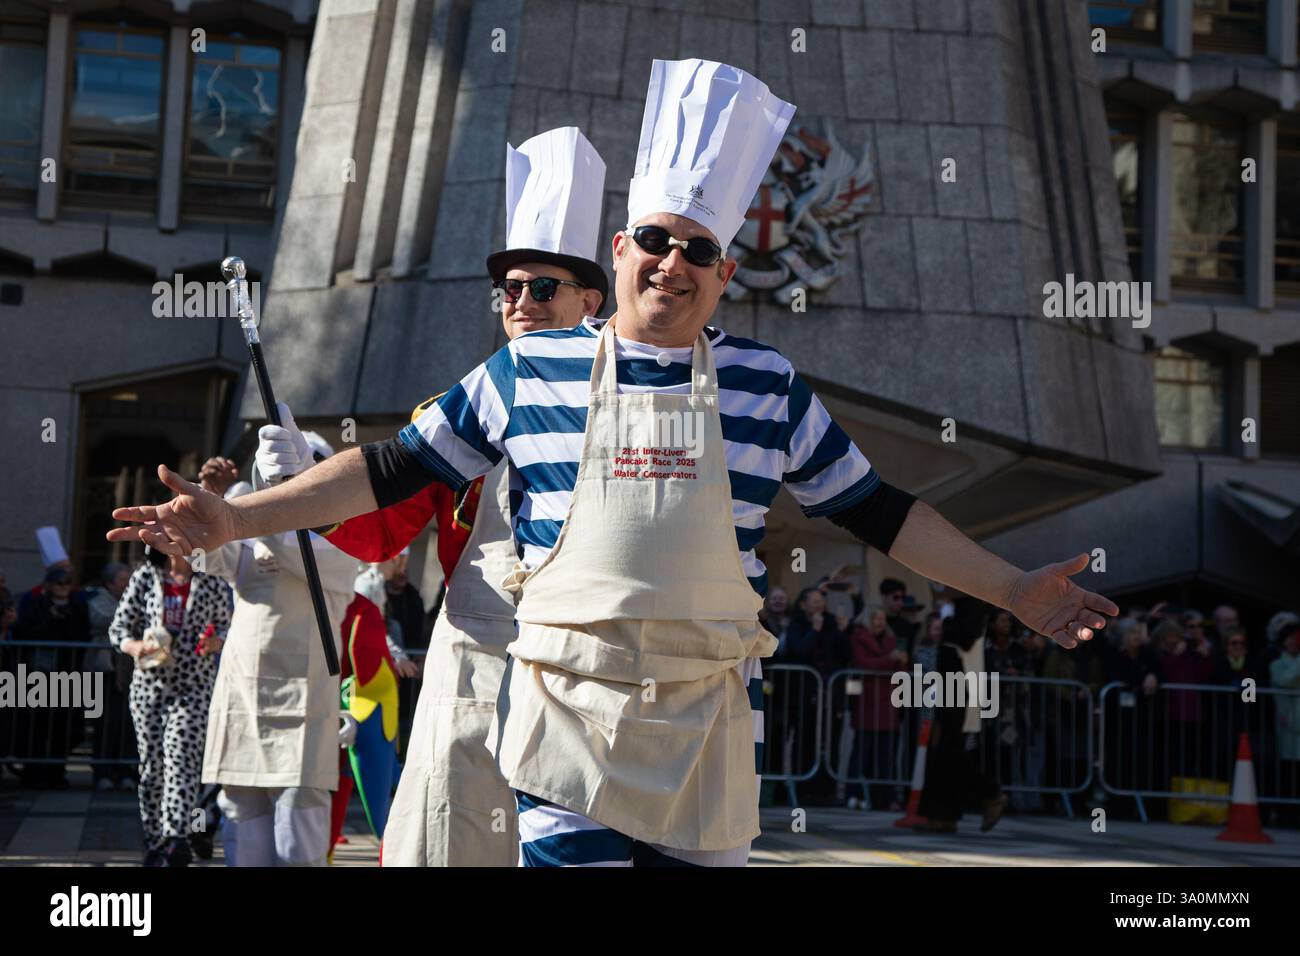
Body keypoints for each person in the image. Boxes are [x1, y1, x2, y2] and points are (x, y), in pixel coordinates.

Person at [106, 58, 1117, 867]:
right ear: (621, 248)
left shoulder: (769, 386)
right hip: (565, 714)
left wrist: (1015, 585)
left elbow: (884, 512)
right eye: (653, 239)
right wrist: (239, 518)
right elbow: (392, 469)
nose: (671, 262)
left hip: (708, 720)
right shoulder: (527, 368)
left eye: (697, 248)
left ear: (725, 273)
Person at [283, 127, 605, 866]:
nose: (521, 302)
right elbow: (380, 534)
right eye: (511, 290)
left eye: (543, 288)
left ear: (590, 300)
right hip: (473, 670)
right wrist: (309, 481)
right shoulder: (457, 410)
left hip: (583, 674)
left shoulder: (625, 416)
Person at [196, 442, 359, 868]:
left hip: (303, 706)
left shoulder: (341, 541)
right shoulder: (250, 530)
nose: (280, 488)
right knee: (242, 836)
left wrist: (241, 507)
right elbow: (206, 557)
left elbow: (293, 547)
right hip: (242, 698)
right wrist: (209, 502)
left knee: (296, 845)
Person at [109, 545, 229, 866]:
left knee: (183, 759)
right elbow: (118, 629)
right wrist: (135, 646)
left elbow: (229, 628)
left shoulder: (212, 581)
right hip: (150, 687)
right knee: (152, 767)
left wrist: (217, 641)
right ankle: (156, 840)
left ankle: (179, 836)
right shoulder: (146, 577)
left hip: (194, 687)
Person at [915, 596, 1007, 833]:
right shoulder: (959, 605)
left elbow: (965, 639)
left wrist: (946, 615)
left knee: (950, 750)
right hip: (949, 685)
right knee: (943, 752)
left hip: (962, 686)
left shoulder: (974, 603)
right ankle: (943, 814)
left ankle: (990, 793)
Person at [13, 565, 89, 788]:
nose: (63, 588)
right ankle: (33, 772)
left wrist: (64, 619)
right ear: (48, 585)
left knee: (63, 727)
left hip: (67, 672)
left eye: (67, 583)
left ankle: (57, 772)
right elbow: (25, 631)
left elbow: (81, 633)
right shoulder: (36, 604)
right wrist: (50, 619)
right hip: (39, 674)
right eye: (59, 583)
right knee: (36, 725)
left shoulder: (76, 606)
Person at [847, 605, 906, 810]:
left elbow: (898, 671)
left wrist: (901, 663)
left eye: (882, 618)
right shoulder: (859, 637)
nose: (879, 622)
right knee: (862, 751)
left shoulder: (891, 640)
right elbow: (863, 663)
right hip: (867, 703)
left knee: (886, 754)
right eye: (875, 618)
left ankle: (885, 797)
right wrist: (889, 660)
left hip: (888, 703)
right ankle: (853, 793)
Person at [85, 562, 137, 791]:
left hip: (127, 671)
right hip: (104, 670)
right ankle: (102, 772)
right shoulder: (98, 599)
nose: (127, 585)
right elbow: (107, 620)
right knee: (105, 723)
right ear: (109, 583)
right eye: (122, 580)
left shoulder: (132, 601)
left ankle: (125, 770)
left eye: (129, 580)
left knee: (126, 722)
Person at [1270, 622, 1300, 827]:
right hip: (1287, 725)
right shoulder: (1275, 663)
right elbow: (1286, 680)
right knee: (1288, 773)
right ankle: (1285, 816)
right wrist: (1248, 699)